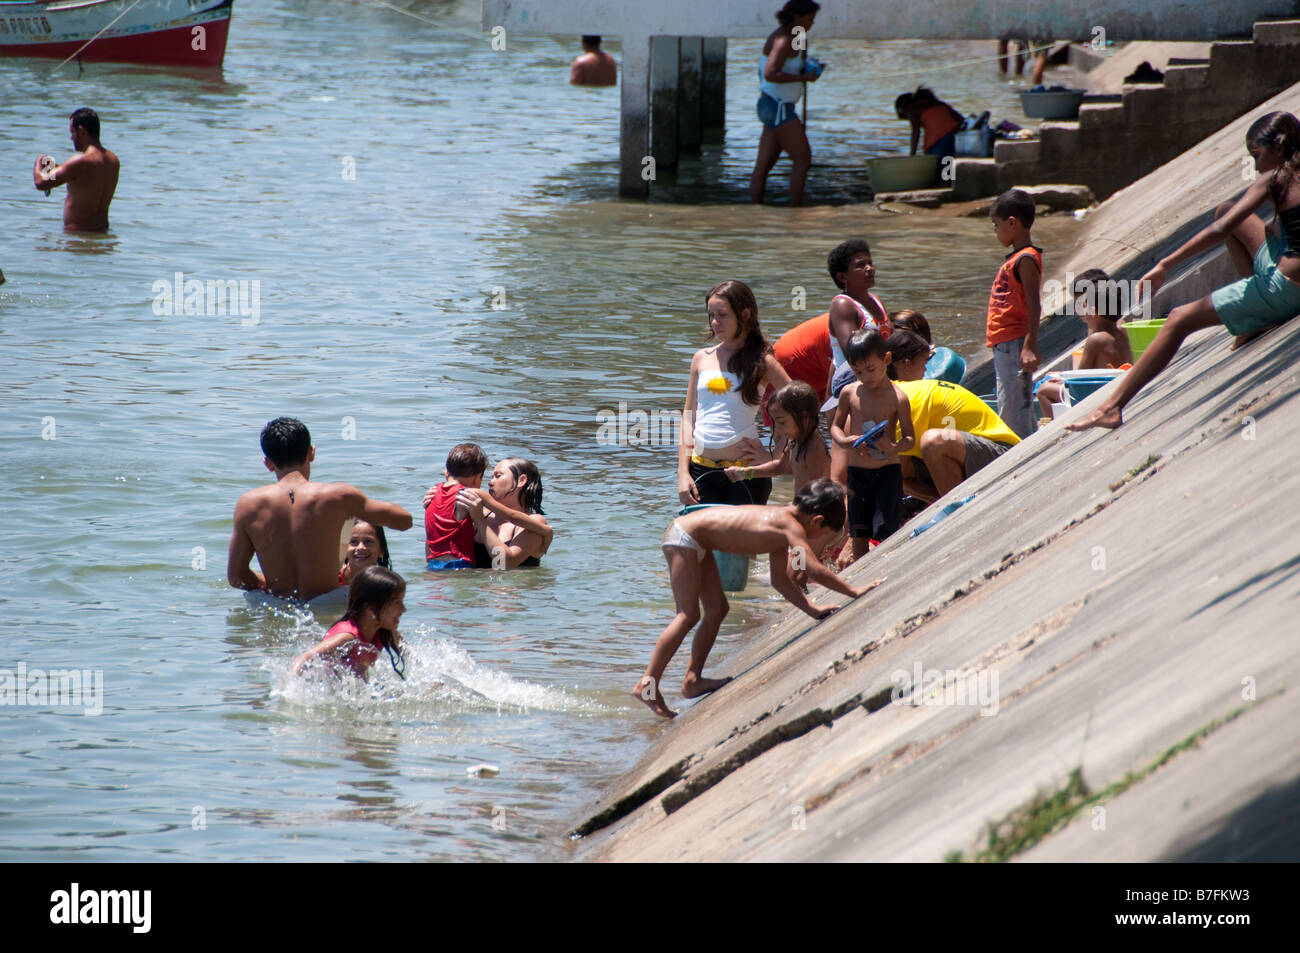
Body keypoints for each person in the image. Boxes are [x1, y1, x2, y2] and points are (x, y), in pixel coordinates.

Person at [1070, 111, 1300, 432]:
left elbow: (1220, 229)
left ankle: (1111, 407)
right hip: (1283, 267)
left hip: (1284, 287)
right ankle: (1251, 320)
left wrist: (1165, 264)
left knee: (1178, 318)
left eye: (1258, 156)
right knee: (1225, 206)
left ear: (1279, 147)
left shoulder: (1276, 178)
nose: (1257, 166)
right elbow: (1228, 218)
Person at [633, 479, 883, 718]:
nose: (816, 541)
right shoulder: (790, 526)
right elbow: (814, 568)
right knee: (687, 615)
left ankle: (692, 680)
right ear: (817, 520)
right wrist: (854, 591)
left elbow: (779, 580)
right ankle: (647, 685)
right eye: (824, 534)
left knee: (717, 608)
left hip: (695, 538)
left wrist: (813, 609)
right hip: (683, 538)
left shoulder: (779, 523)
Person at [227, 418, 413, 602]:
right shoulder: (338, 496)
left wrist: (268, 584)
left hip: (277, 606)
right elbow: (404, 521)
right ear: (311, 453)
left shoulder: (248, 505)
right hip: (328, 605)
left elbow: (236, 577)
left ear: (267, 463)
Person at [679, 280, 792, 507]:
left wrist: (775, 457)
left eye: (722, 315)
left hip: (746, 474)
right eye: (711, 315)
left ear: (745, 314)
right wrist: (682, 473)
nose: (714, 322)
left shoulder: (763, 362)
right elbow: (688, 417)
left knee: (739, 543)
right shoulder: (701, 358)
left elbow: (802, 406)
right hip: (701, 469)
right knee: (701, 542)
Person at [883, 337, 1021, 500]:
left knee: (933, 441)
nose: (925, 371)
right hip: (967, 452)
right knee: (895, 469)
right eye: (923, 364)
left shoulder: (905, 398)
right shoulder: (901, 394)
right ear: (906, 365)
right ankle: (946, 504)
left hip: (1004, 453)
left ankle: (954, 507)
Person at [830, 330, 916, 565]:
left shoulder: (897, 398)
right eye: (858, 372)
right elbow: (835, 428)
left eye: (871, 369)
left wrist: (892, 447)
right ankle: (861, 574)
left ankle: (884, 570)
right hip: (857, 474)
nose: (865, 377)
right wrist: (845, 441)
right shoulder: (850, 393)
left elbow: (910, 439)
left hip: (887, 473)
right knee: (858, 531)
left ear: (887, 359)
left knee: (885, 531)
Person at [775, 239, 889, 412]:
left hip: (873, 380)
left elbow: (891, 337)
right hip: (850, 389)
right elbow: (853, 352)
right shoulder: (842, 305)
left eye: (870, 263)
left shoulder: (875, 300)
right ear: (843, 277)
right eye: (861, 265)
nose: (869, 268)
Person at [749, 0, 821, 207]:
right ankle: (796, 210)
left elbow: (795, 63)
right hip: (778, 106)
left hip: (772, 106)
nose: (812, 23)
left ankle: (755, 209)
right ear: (797, 17)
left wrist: (809, 68)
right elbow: (770, 73)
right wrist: (804, 78)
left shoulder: (797, 37)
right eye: (809, 18)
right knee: (802, 158)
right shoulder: (783, 39)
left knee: (763, 165)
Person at [1036, 269, 1134, 420]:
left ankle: (1053, 428)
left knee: (1043, 390)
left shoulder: (1096, 338)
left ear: (1094, 310)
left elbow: (1079, 379)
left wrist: (1061, 378)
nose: (1079, 310)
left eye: (1083, 304)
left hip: (1097, 393)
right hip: (1115, 385)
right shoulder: (1119, 329)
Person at [986, 188, 1043, 439]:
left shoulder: (1026, 259)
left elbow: (1034, 304)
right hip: (1004, 344)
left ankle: (1019, 453)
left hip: (1013, 344)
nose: (995, 231)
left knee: (1013, 411)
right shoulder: (1017, 258)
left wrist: (1029, 347)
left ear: (1012, 223)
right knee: (1011, 403)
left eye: (996, 225)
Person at [291, 566, 406, 680]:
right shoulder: (347, 637)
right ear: (370, 607)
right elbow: (302, 659)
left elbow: (410, 655)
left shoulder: (383, 632)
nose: (403, 609)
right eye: (397, 603)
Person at [725, 380, 829, 492]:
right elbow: (780, 467)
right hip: (803, 503)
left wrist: (794, 508)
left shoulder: (814, 449)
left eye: (782, 422)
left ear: (804, 416)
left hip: (813, 505)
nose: (778, 429)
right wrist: (745, 472)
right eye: (774, 422)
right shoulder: (794, 441)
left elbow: (817, 492)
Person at [33, 107, 119, 233]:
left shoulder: (81, 161)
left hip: (78, 237)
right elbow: (80, 178)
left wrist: (39, 161)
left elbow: (41, 183)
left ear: (82, 131)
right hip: (102, 233)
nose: (71, 138)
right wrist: (53, 166)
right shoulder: (112, 160)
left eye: (72, 132)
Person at [462, 457, 553, 569]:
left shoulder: (535, 523)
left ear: (521, 480)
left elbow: (504, 564)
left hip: (512, 586)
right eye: (491, 477)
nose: (490, 483)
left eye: (498, 476)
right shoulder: (480, 513)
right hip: (475, 585)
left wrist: (480, 521)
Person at [424, 443, 488, 570]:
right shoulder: (470, 493)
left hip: (433, 565)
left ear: (446, 473)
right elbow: (509, 514)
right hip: (460, 565)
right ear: (477, 478)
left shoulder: (432, 493)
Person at [895, 87, 965, 161]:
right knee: (947, 166)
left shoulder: (912, 109)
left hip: (938, 143)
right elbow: (962, 120)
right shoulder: (940, 104)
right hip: (955, 138)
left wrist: (912, 155)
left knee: (938, 167)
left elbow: (916, 133)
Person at [339, 519, 391, 586]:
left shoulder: (386, 585)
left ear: (381, 550)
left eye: (368, 541)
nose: (360, 547)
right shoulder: (331, 580)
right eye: (353, 541)